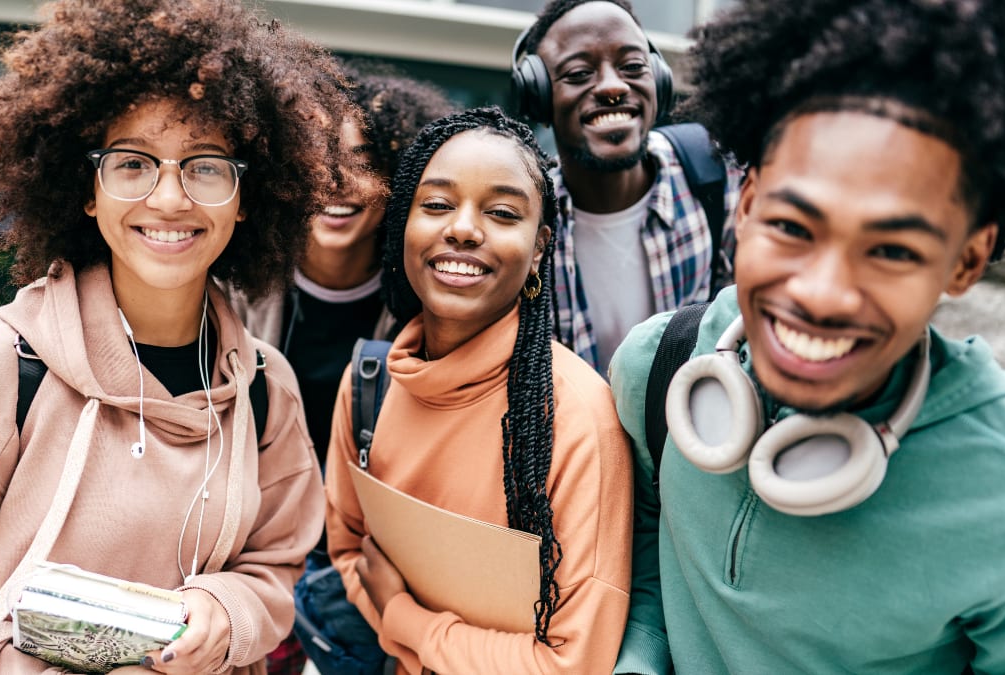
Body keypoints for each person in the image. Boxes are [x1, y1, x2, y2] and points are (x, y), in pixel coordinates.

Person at [0, 1, 355, 672]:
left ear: (245, 198)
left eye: (206, 166)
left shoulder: (266, 388)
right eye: (132, 163)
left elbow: (275, 566)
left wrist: (224, 607)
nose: (171, 198)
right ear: (88, 189)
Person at [608, 0, 1005, 673]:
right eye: (793, 227)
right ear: (747, 204)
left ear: (967, 261)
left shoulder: (996, 480)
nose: (821, 294)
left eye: (892, 251)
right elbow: (644, 548)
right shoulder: (657, 367)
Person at [324, 106, 634, 674]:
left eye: (501, 212)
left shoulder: (578, 420)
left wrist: (404, 619)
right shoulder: (368, 385)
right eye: (437, 204)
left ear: (539, 247)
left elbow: (573, 663)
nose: (463, 228)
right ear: (404, 224)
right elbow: (348, 552)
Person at [229, 60, 455, 675]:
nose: (336, 182)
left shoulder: (428, 302)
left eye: (363, 162)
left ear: (400, 182)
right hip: (251, 556)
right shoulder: (235, 287)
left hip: (364, 575)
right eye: (318, 158)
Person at [512, 0, 745, 371]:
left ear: (659, 78)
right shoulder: (521, 223)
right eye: (578, 73)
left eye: (633, 66)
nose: (612, 87)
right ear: (538, 95)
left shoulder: (717, 174)